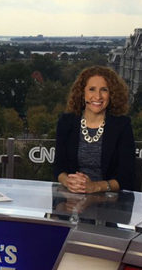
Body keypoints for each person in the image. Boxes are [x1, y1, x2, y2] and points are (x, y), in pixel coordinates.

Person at [55, 66, 136, 194]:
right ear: (82, 93)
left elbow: (126, 177)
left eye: (104, 90)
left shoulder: (122, 126)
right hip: (72, 199)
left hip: (111, 203)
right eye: (91, 89)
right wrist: (69, 182)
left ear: (112, 94)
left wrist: (95, 186)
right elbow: (59, 168)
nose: (97, 96)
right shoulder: (66, 122)